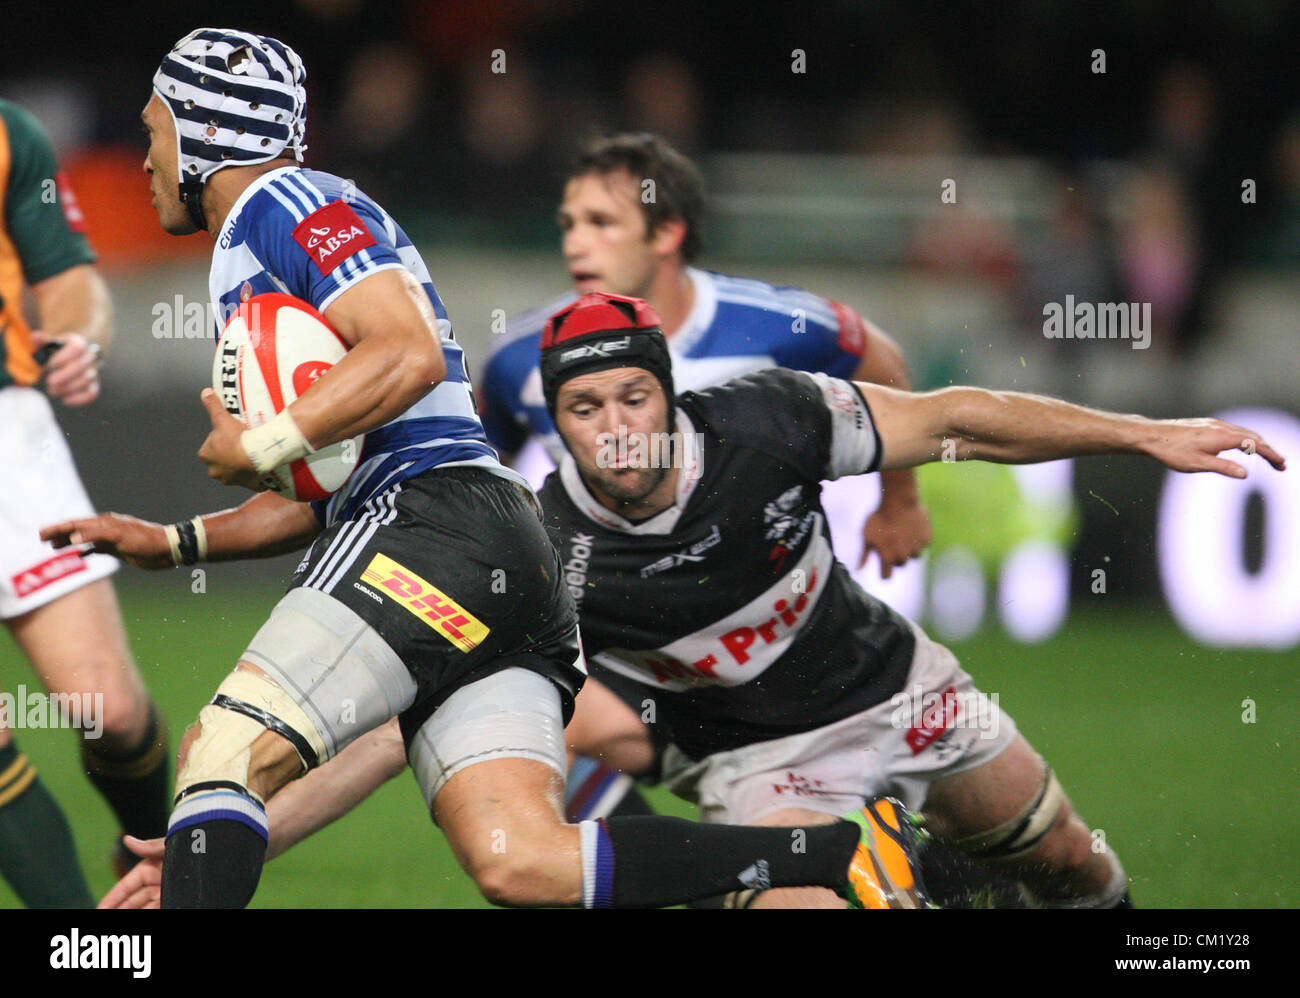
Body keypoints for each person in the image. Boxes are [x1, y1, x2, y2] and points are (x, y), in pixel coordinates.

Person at [51, 27, 915, 910]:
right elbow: (340, 482)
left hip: (433, 528)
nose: (145, 157)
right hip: (497, 556)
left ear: (201, 132)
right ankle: (827, 853)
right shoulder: (271, 232)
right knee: (521, 862)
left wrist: (264, 445)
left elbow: (410, 350)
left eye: (154, 129)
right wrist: (175, 541)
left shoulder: (282, 203)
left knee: (227, 749)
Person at [87, 291, 1284, 909]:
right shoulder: (542, 553)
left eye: (629, 399)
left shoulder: (772, 419)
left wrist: (1148, 432)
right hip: (760, 775)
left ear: (668, 391)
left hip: (898, 683)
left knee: (1070, 865)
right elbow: (400, 731)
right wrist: (242, 818)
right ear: (556, 425)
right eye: (583, 412)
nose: (613, 431)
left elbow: (958, 414)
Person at [481, 132, 935, 836]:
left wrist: (899, 499)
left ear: (669, 232)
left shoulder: (775, 323)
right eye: (569, 223)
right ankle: (712, 875)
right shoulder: (522, 360)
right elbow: (487, 475)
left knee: (905, 806)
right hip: (633, 629)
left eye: (602, 223)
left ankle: (877, 850)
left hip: (774, 617)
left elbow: (881, 358)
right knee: (527, 725)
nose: (576, 243)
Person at [0, 97, 170, 908]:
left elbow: (70, 282)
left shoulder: (9, 134)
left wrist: (74, 340)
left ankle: (157, 858)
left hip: (9, 432)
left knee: (110, 711)